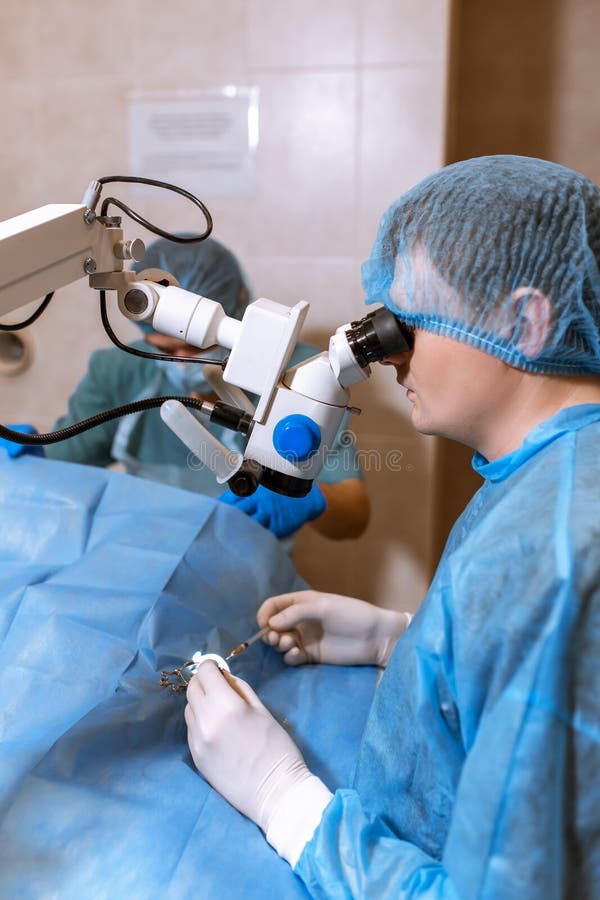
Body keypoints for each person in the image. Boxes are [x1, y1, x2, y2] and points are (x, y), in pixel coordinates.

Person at [183, 156, 600, 897]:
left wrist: (284, 799)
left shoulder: (554, 558)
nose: (389, 356)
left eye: (409, 324)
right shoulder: (543, 471)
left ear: (526, 321)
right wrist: (400, 641)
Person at [45, 236, 370, 540]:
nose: (182, 362)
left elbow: (354, 514)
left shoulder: (302, 378)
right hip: (147, 552)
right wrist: (28, 453)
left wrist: (311, 500)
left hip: (251, 564)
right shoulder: (119, 371)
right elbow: (59, 465)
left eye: (197, 347)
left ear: (237, 314)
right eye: (165, 350)